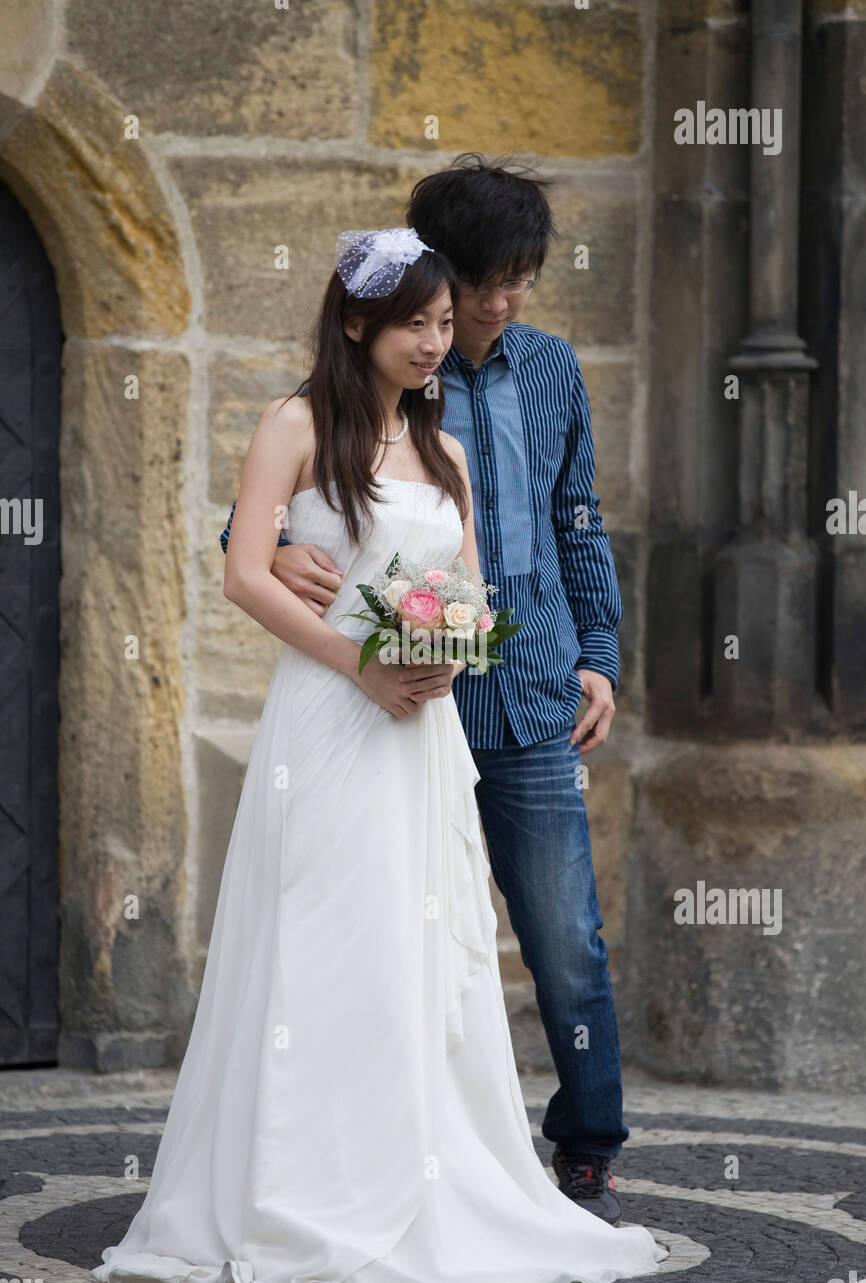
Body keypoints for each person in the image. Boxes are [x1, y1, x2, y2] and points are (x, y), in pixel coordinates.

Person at [93, 227, 668, 1283]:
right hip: (327, 720)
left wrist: (450, 636)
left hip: (422, 734)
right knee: (320, 940)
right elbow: (241, 571)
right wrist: (361, 661)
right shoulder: (295, 424)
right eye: (417, 322)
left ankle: (430, 1171)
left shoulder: (439, 443)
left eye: (444, 323)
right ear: (355, 321)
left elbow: (475, 587)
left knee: (425, 951)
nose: (435, 341)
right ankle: (292, 1186)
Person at [220, 156, 631, 1225]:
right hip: (393, 709)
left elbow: (578, 515)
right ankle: (379, 1158)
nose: (496, 304)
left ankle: (586, 1150)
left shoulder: (550, 370)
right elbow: (280, 507)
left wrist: (599, 652)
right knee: (401, 939)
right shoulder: (393, 373)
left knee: (565, 942)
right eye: (480, 281)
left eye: (517, 279)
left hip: (530, 693)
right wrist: (263, 546)